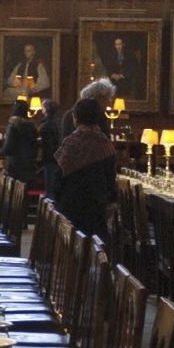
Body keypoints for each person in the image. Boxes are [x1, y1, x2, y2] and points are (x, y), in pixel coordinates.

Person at [53, 79, 122, 239]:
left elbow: (59, 174)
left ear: (76, 119)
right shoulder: (104, 144)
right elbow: (110, 176)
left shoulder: (70, 143)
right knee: (95, 244)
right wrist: (111, 201)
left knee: (70, 246)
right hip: (95, 205)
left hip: (70, 203)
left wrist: (57, 197)